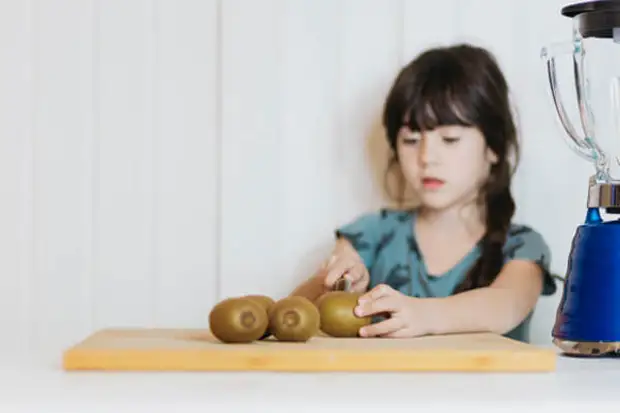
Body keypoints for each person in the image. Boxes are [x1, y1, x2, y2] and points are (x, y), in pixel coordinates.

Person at [290, 43, 556, 343]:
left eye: (450, 139)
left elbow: (507, 305)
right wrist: (331, 284)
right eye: (412, 139)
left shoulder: (522, 246)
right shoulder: (371, 235)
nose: (427, 157)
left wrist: (424, 315)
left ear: (494, 147)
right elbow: (291, 311)